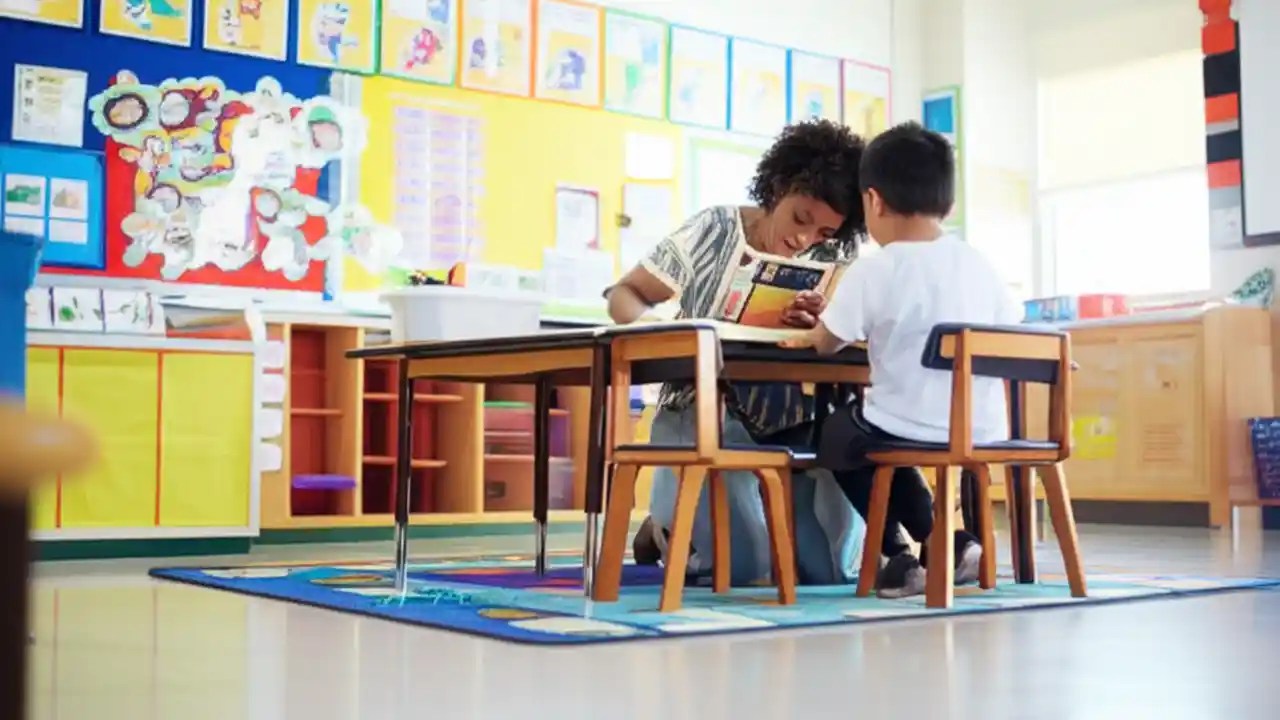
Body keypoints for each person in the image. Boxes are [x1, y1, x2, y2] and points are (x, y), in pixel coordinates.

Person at [607, 119, 868, 586]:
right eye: (800, 218)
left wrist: (820, 324)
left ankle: (683, 521)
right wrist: (659, 332)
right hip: (702, 410)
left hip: (791, 418)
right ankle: (662, 528)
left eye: (824, 233)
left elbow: (841, 336)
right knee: (741, 569)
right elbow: (625, 294)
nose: (804, 240)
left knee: (825, 571)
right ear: (777, 187)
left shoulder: (830, 261)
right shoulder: (716, 228)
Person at [783, 121, 1022, 598]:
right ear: (949, 206)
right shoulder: (980, 265)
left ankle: (899, 555)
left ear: (872, 201)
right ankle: (954, 545)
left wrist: (811, 330)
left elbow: (827, 343)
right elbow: (1012, 331)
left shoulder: (876, 270)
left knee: (838, 436)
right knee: (880, 436)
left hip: (906, 426)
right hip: (983, 427)